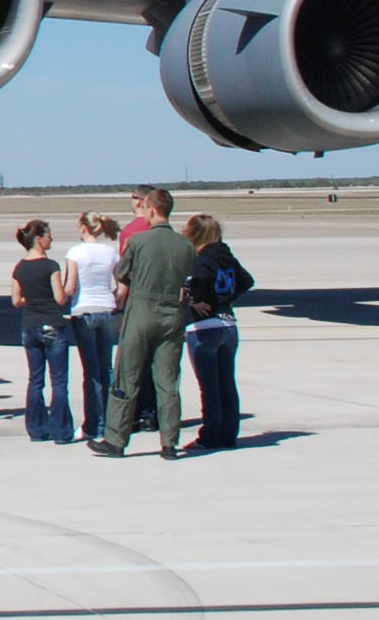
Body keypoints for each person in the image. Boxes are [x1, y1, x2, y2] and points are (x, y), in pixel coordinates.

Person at [95, 187, 191, 459]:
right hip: (172, 313)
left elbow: (123, 273)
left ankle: (116, 439)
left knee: (128, 375)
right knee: (168, 382)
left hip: (142, 311)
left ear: (152, 209)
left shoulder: (138, 241)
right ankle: (169, 443)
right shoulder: (185, 244)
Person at [182, 213, 252, 451]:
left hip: (205, 326)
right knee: (227, 384)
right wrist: (226, 300)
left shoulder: (200, 259)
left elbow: (197, 282)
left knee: (209, 387)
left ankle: (210, 435)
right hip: (228, 323)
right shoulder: (227, 257)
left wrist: (196, 301)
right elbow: (246, 280)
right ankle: (228, 434)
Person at [57, 212, 121, 442]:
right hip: (107, 310)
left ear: (83, 227)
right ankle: (112, 422)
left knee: (91, 372)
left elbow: (70, 286)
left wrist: (56, 299)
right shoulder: (110, 252)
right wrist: (114, 299)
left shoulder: (75, 252)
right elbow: (122, 283)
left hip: (84, 312)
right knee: (107, 369)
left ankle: (94, 425)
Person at [11, 221, 74, 443]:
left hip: (30, 326)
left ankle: (36, 429)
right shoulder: (50, 266)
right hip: (52, 324)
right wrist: (68, 288)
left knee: (35, 380)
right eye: (48, 236)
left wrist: (32, 298)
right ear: (38, 239)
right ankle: (61, 431)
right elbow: (59, 298)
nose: (51, 240)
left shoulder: (19, 267)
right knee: (58, 381)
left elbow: (16, 300)